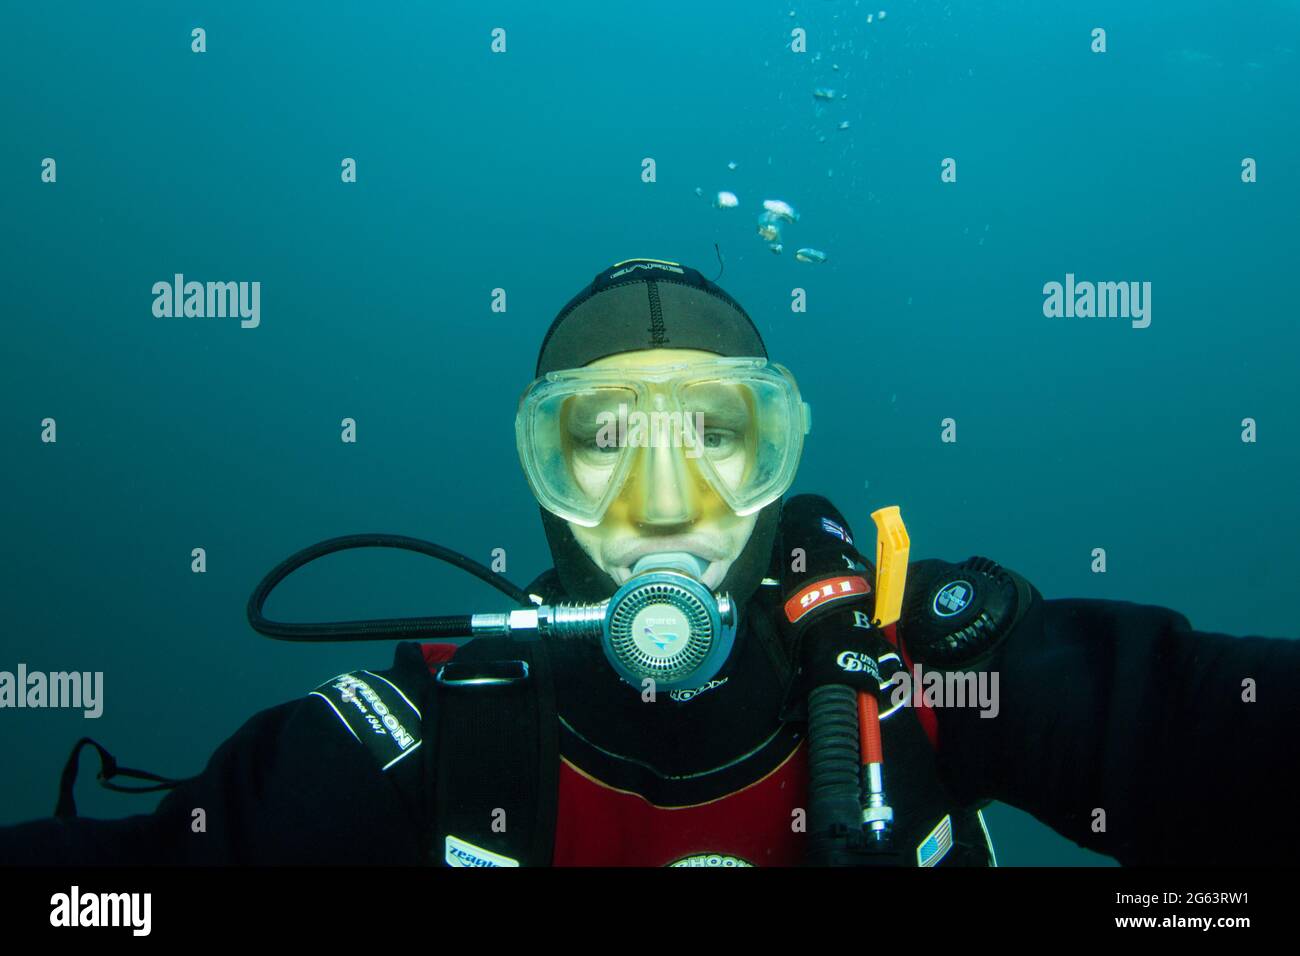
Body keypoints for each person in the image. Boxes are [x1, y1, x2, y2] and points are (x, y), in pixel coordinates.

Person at [1, 257, 1297, 867]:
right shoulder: (429, 740)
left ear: (780, 454)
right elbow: (124, 895)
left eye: (723, 435)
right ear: (540, 474)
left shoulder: (917, 669)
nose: (669, 504)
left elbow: (1197, 726)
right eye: (603, 440)